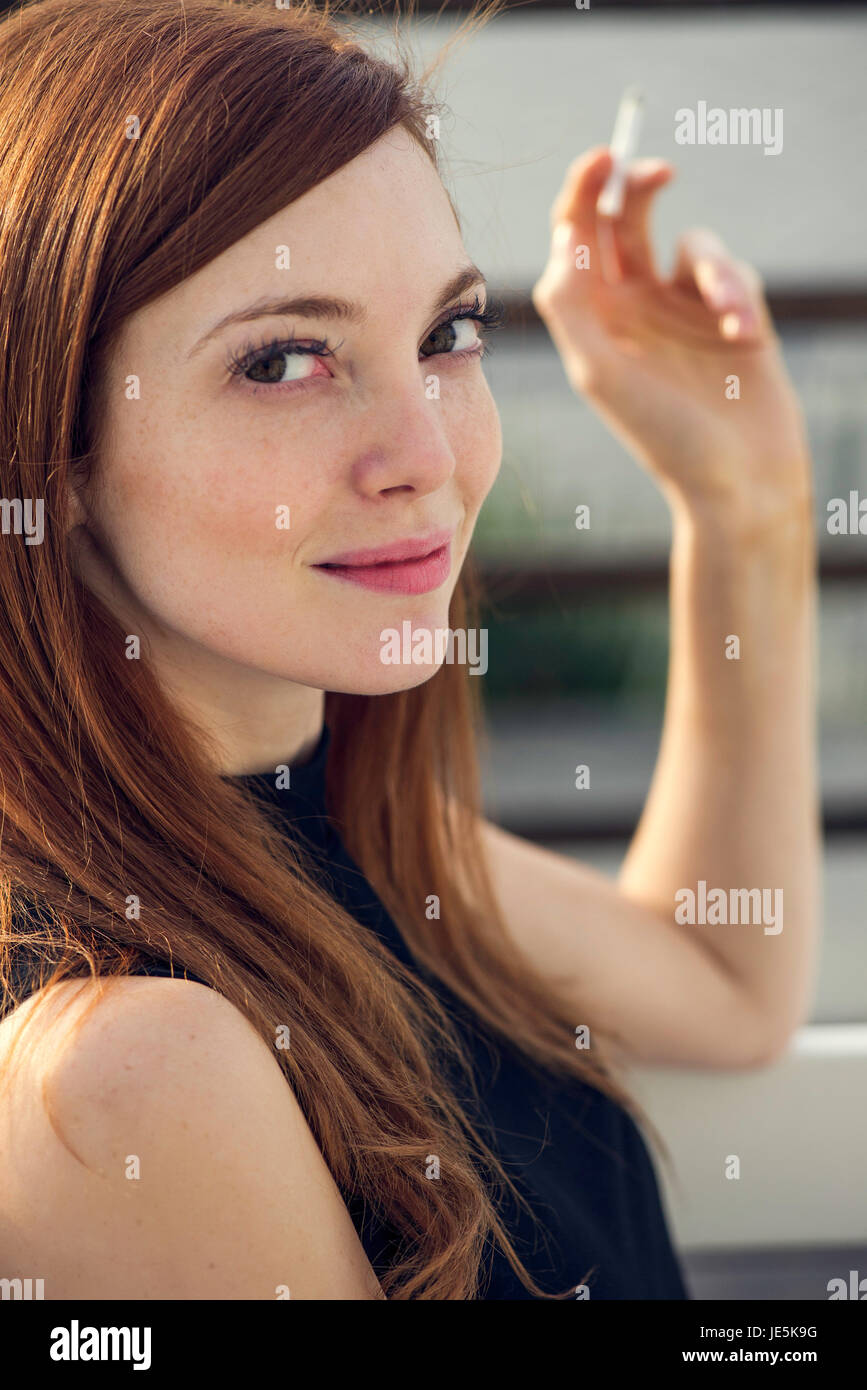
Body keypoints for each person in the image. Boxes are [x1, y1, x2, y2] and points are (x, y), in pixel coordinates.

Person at [0, 0, 818, 1301]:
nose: (429, 457)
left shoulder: (329, 843)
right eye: (285, 361)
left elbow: (725, 973)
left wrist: (744, 502)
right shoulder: (127, 1068)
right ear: (56, 442)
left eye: (448, 335)